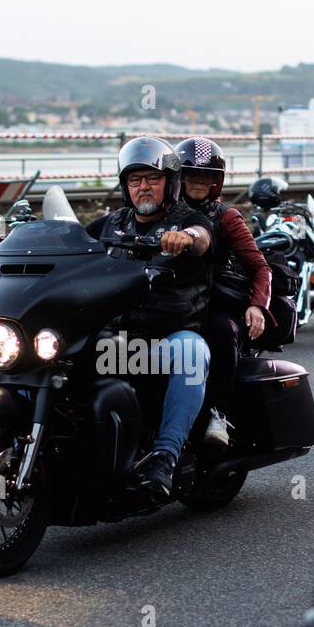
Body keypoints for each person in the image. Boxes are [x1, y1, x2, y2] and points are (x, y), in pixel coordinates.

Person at [83, 136, 213, 498]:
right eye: (135, 180)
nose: (143, 187)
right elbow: (69, 241)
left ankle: (164, 456)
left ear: (169, 182)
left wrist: (185, 238)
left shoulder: (187, 218)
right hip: (116, 341)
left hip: (163, 342)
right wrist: (8, 239)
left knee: (192, 351)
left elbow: (203, 236)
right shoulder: (111, 224)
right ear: (125, 186)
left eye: (152, 178)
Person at [173, 136, 271, 447]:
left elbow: (260, 267)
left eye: (207, 176)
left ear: (217, 181)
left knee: (220, 330)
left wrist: (257, 306)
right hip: (174, 298)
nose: (199, 182)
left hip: (215, 299)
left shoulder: (226, 216)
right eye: (192, 174)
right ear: (179, 177)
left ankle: (219, 414)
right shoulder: (166, 211)